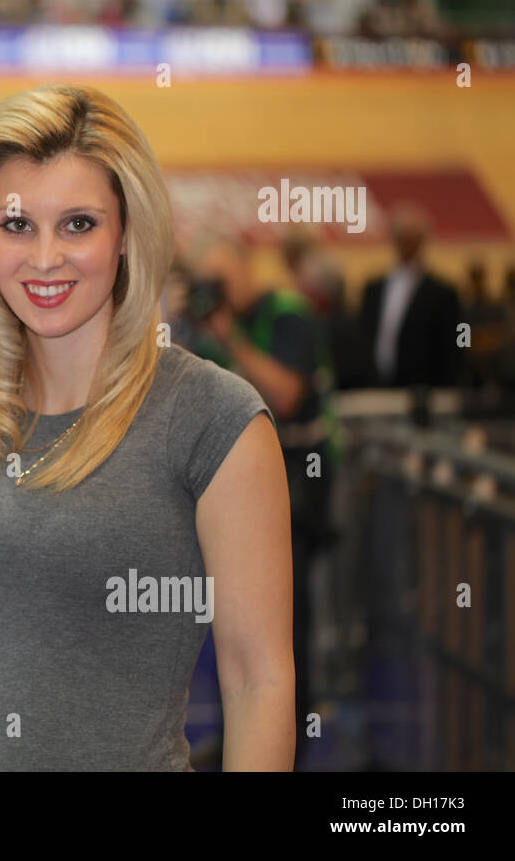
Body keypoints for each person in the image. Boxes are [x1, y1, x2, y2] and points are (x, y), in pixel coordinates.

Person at [0, 84, 294, 770]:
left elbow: (259, 682)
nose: (44, 257)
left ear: (126, 233)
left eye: (78, 224)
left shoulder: (212, 416)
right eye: (16, 225)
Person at [191, 232, 340, 768]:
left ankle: (289, 746)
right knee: (230, 619)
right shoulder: (211, 327)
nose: (215, 290)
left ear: (246, 267)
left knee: (285, 621)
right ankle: (236, 737)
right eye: (206, 281)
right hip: (235, 488)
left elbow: (286, 395)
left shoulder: (287, 315)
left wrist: (229, 338)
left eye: (221, 277)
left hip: (299, 483)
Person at [357, 206, 463, 389]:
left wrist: (455, 377)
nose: (406, 244)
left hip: (424, 388)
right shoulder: (374, 289)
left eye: (412, 238)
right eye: (402, 237)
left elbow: (461, 336)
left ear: (422, 241)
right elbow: (364, 336)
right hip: (377, 386)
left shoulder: (443, 294)